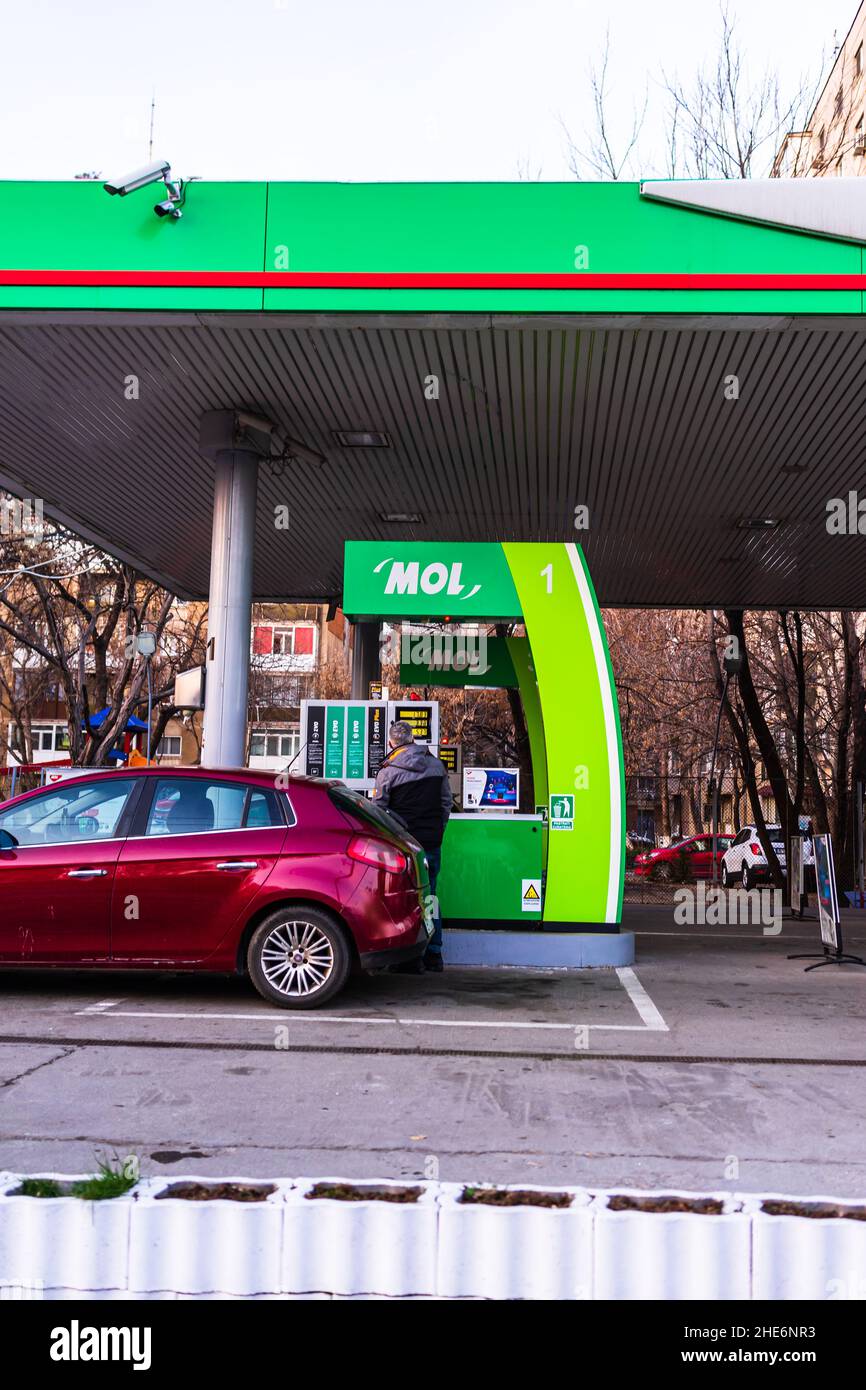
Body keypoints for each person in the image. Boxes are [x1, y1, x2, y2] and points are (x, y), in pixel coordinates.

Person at [373, 720, 453, 972]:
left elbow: (378, 812)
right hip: (431, 842)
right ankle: (434, 953)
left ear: (391, 743)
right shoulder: (436, 765)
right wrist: (436, 830)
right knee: (430, 896)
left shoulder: (388, 771)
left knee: (405, 898)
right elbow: (446, 804)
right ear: (413, 740)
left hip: (403, 845)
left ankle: (409, 958)